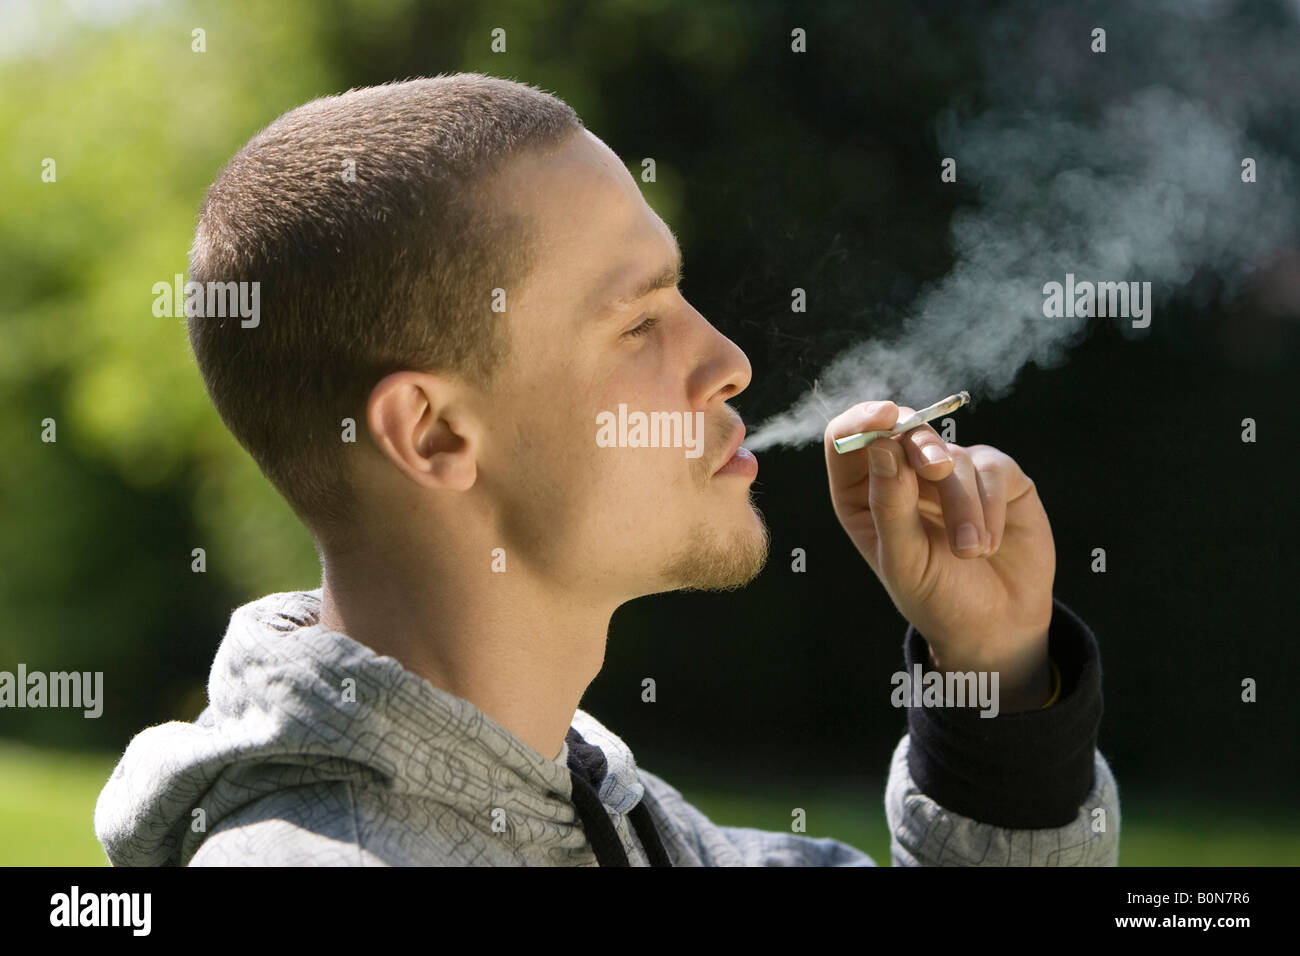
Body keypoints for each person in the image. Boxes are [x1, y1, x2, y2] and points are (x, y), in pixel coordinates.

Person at [95, 74, 1119, 866]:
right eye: (638, 321)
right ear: (435, 433)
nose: (729, 362)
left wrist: (995, 671)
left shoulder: (620, 819)